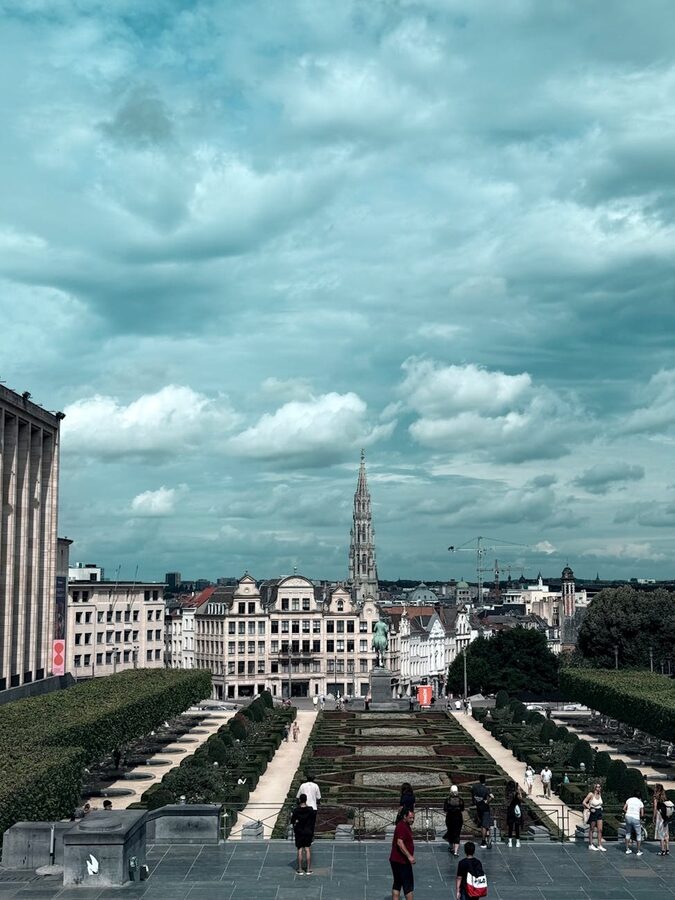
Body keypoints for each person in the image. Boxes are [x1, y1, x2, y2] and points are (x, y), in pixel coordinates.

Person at [389, 807, 415, 900]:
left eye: (413, 818)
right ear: (404, 816)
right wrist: (409, 856)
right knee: (408, 887)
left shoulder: (402, 825)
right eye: (410, 818)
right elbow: (400, 842)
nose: (412, 820)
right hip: (402, 861)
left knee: (397, 883)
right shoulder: (402, 827)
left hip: (395, 859)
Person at [291, 793, 316, 875]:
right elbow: (313, 820)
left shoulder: (296, 810)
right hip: (308, 831)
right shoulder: (310, 810)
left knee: (300, 849)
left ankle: (300, 869)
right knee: (307, 849)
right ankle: (308, 869)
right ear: (306, 800)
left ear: (299, 800)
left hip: (299, 831)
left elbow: (292, 821)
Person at [471, 774, 494, 849]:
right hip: (485, 809)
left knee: (483, 825)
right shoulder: (486, 789)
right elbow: (492, 797)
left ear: (479, 780)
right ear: (485, 780)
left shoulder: (475, 787)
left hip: (479, 808)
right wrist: (487, 802)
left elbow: (473, 796)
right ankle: (485, 840)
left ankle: (486, 839)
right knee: (485, 825)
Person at [583, 783, 606, 851]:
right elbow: (584, 802)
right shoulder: (591, 794)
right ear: (595, 788)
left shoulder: (600, 794)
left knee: (600, 829)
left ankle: (599, 845)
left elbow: (599, 803)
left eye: (600, 787)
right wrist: (590, 808)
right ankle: (590, 844)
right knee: (592, 829)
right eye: (598, 787)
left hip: (599, 812)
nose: (599, 788)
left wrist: (601, 807)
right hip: (593, 812)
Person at [443, 784, 464, 856]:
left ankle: (451, 847)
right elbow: (462, 809)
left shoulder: (447, 800)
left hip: (450, 818)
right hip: (458, 818)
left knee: (450, 832)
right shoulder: (460, 799)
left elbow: (445, 809)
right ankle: (456, 851)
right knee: (457, 834)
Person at [653, 783, 672, 856]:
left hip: (660, 815)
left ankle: (662, 850)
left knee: (661, 833)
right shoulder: (665, 796)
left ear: (657, 789)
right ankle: (667, 850)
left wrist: (654, 817)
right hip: (666, 816)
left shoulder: (656, 797)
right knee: (666, 832)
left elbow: (655, 808)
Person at [506, 781, 524, 848]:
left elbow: (507, 801)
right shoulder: (516, 793)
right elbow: (521, 799)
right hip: (516, 810)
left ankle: (510, 842)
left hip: (510, 810)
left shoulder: (508, 793)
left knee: (510, 827)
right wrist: (519, 790)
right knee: (517, 827)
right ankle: (517, 842)